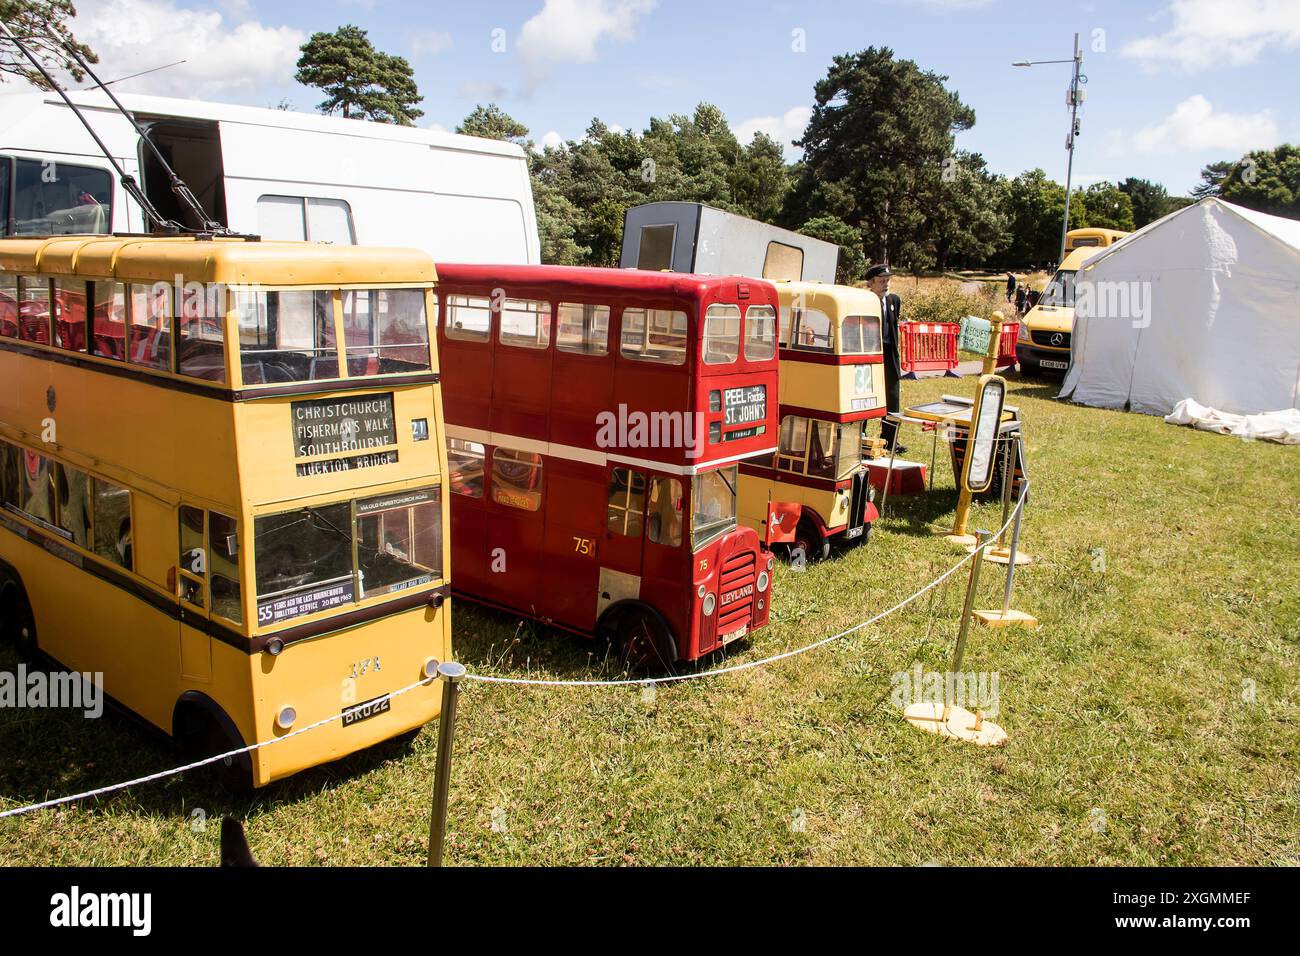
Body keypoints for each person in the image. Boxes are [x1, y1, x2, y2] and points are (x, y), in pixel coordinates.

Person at [866, 263, 906, 455]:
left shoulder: (893, 300)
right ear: (871, 283)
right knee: (865, 395)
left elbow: (893, 325)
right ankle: (861, 436)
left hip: (889, 355)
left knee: (892, 397)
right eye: (881, 281)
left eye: (887, 280)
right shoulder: (864, 300)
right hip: (869, 354)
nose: (885, 284)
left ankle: (890, 439)